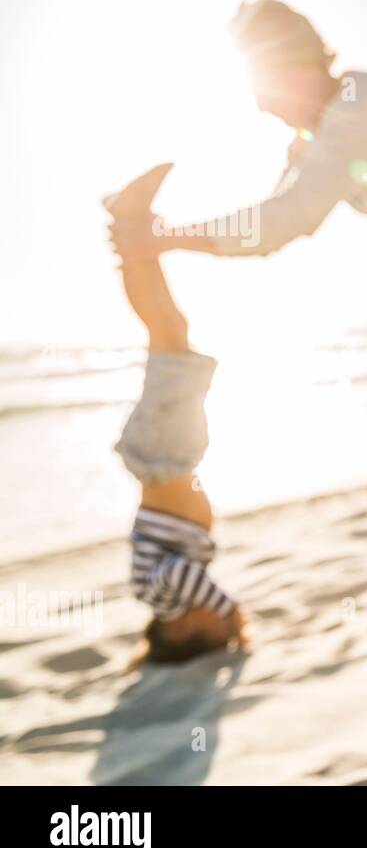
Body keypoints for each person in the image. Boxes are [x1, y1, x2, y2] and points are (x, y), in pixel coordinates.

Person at [109, 0, 367, 610]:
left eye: (265, 87)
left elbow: (286, 221)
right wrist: (163, 235)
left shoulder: (365, 104)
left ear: (298, 61)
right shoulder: (318, 139)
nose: (261, 106)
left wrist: (165, 236)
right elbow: (271, 218)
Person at [105, 164, 246, 664]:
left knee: (168, 332)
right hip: (167, 456)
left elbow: (185, 576)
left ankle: (129, 226)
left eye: (213, 625)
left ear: (185, 629)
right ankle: (130, 231)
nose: (215, 613)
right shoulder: (163, 601)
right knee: (170, 331)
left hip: (161, 455)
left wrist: (232, 612)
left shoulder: (159, 597)